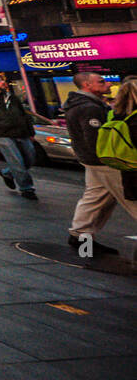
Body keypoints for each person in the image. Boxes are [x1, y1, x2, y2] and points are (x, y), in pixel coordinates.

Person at [63, 74, 137, 256]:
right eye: (102, 81)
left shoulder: (82, 105)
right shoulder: (89, 108)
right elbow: (95, 139)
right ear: (87, 85)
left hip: (92, 161)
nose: (108, 84)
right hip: (107, 162)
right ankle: (81, 239)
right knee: (131, 199)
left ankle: (81, 239)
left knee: (94, 199)